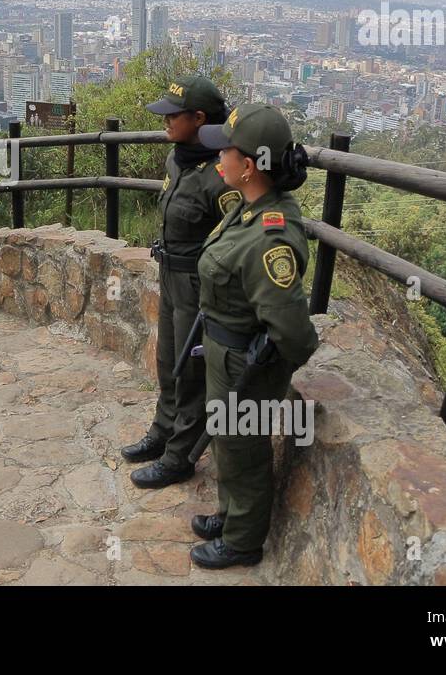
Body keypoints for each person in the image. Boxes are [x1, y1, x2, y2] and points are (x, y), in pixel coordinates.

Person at [188, 103, 319, 569]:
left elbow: (295, 332)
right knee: (226, 440)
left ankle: (243, 542)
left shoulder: (270, 237)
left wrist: (266, 368)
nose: (216, 158)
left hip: (245, 362)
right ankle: (229, 513)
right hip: (226, 351)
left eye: (225, 150)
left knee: (244, 450)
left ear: (248, 166)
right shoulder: (248, 209)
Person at [121, 75, 241, 489]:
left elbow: (235, 238)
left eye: (174, 116)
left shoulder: (222, 174)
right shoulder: (178, 159)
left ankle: (179, 457)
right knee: (167, 362)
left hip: (198, 283)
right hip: (169, 274)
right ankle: (162, 431)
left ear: (199, 118)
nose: (166, 122)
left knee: (191, 371)